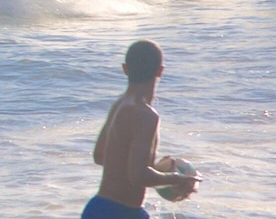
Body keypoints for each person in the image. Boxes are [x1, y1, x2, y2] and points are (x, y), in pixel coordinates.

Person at [85, 40, 201, 219]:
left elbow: (100, 155)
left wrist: (150, 168)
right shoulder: (146, 115)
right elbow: (138, 176)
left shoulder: (120, 105)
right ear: (160, 71)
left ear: (125, 69)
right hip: (122, 213)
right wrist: (176, 179)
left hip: (98, 208)